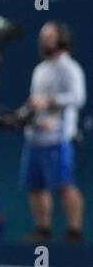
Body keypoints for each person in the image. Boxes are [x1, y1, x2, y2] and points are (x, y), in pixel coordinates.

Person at [21, 21, 85, 242]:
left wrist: (49, 102)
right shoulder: (40, 70)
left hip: (58, 138)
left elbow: (78, 97)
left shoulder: (70, 68)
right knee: (35, 186)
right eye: (42, 36)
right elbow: (34, 101)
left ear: (62, 39)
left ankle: (75, 230)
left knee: (65, 184)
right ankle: (43, 229)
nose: (44, 41)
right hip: (35, 137)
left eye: (48, 36)